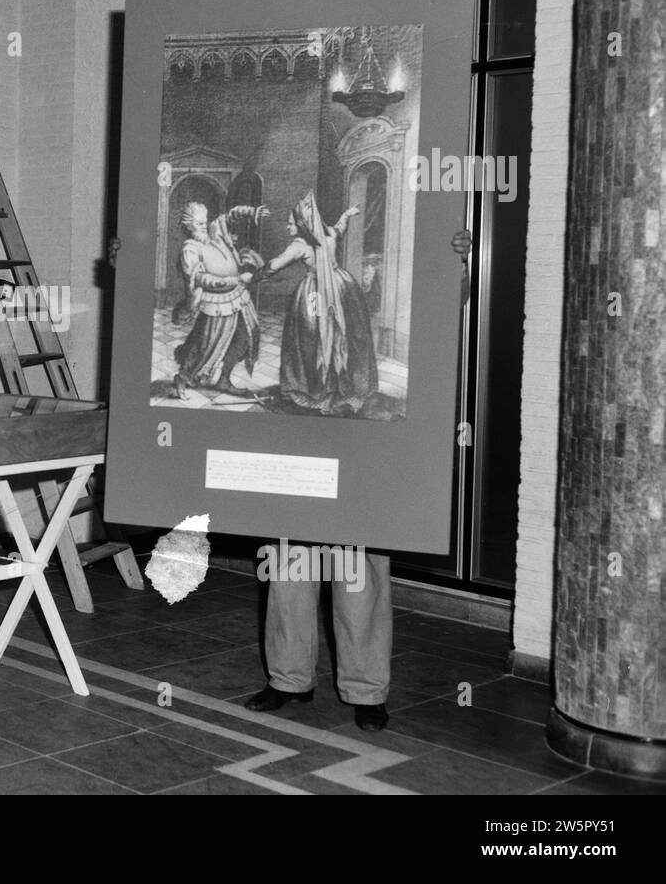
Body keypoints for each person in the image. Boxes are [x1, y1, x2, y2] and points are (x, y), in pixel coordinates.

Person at [246, 227, 474, 732]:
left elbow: (433, 309)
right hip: (304, 444)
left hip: (361, 446)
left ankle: (366, 689)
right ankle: (287, 680)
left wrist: (452, 265)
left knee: (360, 571)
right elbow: (263, 271)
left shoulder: (345, 283)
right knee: (289, 564)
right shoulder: (306, 272)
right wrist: (131, 263)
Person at [258, 191, 377, 415]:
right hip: (344, 287)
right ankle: (345, 388)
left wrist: (254, 273)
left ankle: (318, 390)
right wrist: (348, 214)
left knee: (311, 337)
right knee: (346, 333)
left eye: (291, 223)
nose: (287, 227)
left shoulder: (299, 245)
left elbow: (273, 266)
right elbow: (340, 227)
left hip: (315, 293)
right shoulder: (329, 234)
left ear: (303, 224)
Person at [171, 202, 267, 399]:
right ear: (189, 226)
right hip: (216, 304)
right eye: (198, 224)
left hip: (239, 297)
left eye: (204, 222)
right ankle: (183, 378)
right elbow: (201, 279)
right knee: (207, 347)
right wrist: (236, 279)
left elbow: (231, 215)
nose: (204, 227)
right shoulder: (189, 249)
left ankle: (225, 379)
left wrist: (251, 211)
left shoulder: (214, 233)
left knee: (245, 338)